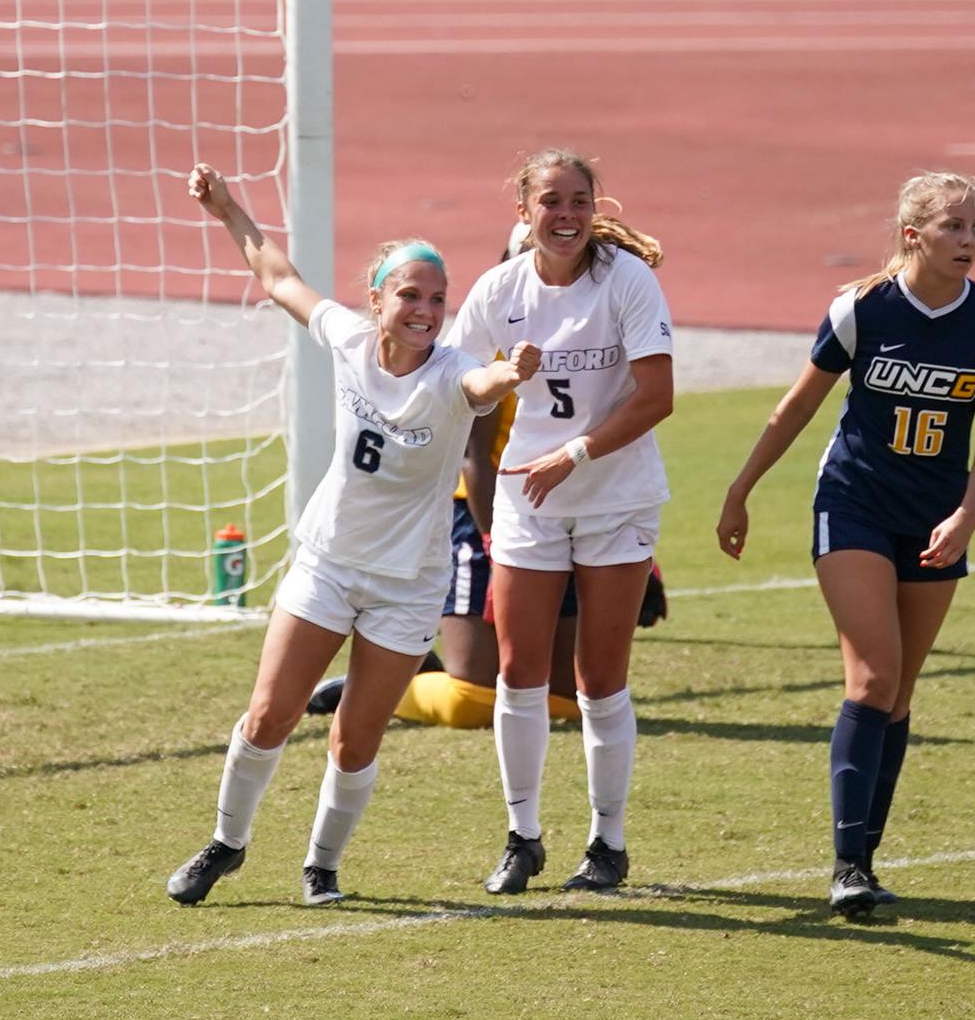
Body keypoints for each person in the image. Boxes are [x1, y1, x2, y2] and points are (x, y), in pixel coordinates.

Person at [164, 163, 538, 906]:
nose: (426, 309)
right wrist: (227, 207)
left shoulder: (455, 372)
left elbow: (481, 387)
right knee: (269, 715)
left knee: (356, 739)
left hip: (407, 585)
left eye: (437, 298)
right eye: (410, 295)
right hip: (328, 564)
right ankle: (225, 844)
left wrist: (511, 374)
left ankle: (321, 868)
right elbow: (277, 276)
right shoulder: (347, 338)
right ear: (377, 300)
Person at [714, 171, 975, 917]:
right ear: (913, 235)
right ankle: (847, 864)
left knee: (899, 691)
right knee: (873, 676)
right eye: (955, 227)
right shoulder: (862, 309)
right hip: (852, 506)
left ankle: (867, 858)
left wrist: (966, 519)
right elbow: (797, 406)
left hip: (936, 519)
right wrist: (739, 489)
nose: (970, 241)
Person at [306, 224, 669, 730]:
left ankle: (413, 665)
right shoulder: (499, 325)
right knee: (472, 699)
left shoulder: (604, 315)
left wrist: (645, 562)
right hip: (487, 514)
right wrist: (495, 544)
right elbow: (476, 456)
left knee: (569, 690)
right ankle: (391, 684)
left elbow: (628, 436)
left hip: (570, 511)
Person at [445, 148, 674, 894]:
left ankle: (607, 843)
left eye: (579, 200)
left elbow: (656, 396)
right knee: (517, 670)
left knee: (600, 680)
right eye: (551, 201)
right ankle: (523, 836)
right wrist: (498, 379)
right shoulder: (498, 290)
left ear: (594, 208)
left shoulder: (627, 281)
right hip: (528, 501)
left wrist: (573, 453)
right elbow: (459, 384)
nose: (566, 214)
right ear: (524, 212)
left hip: (614, 497)